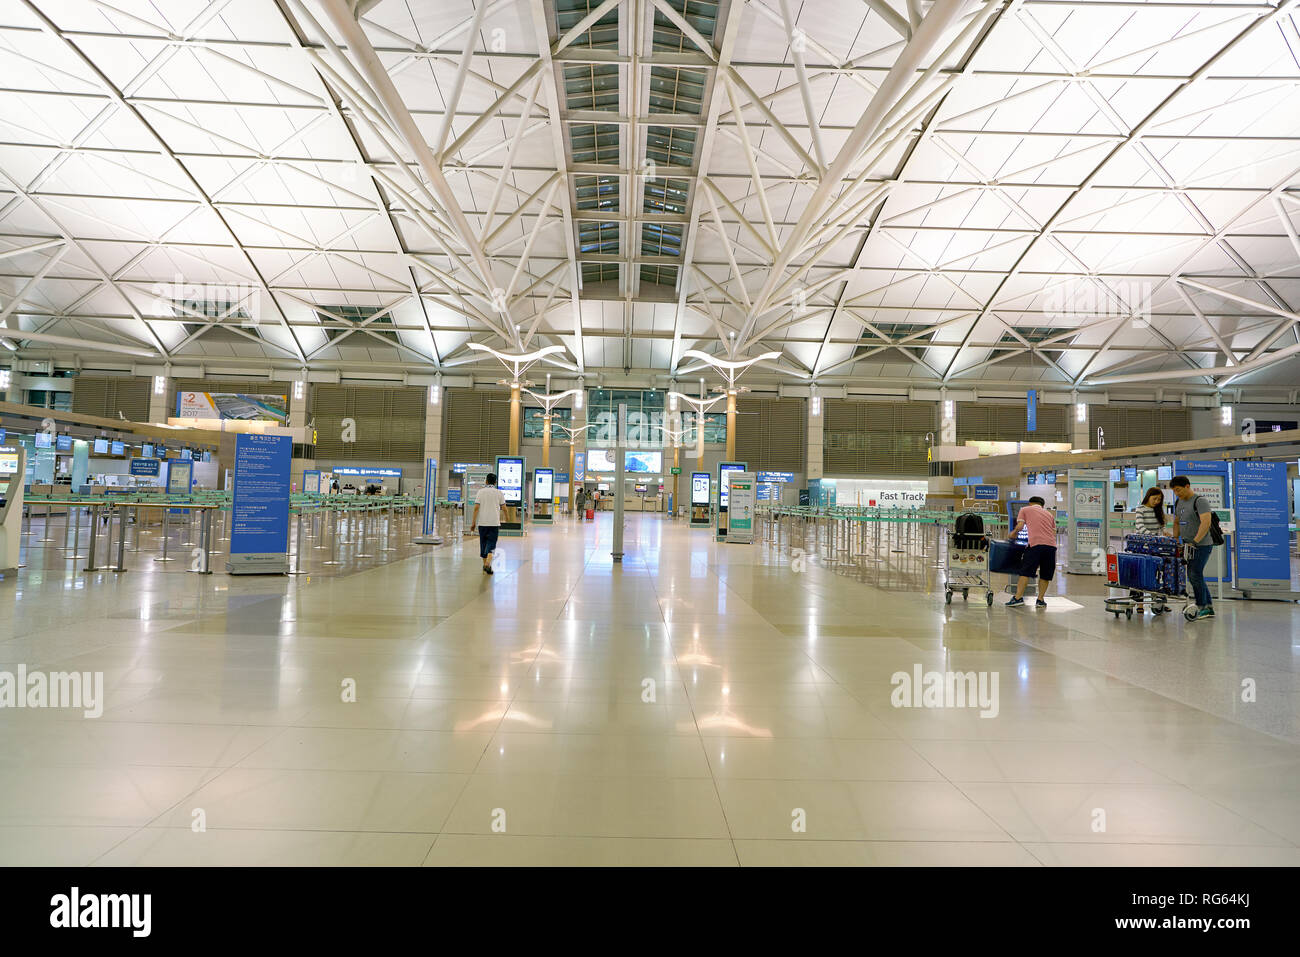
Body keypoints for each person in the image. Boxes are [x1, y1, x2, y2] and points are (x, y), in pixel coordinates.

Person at [1170, 475, 1216, 620]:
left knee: (1194, 574)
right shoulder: (1179, 502)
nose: (1177, 493)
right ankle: (1207, 606)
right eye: (1175, 491)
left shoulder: (1200, 501)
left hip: (1201, 545)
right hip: (1186, 545)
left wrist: (1195, 541)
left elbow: (1205, 523)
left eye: (1179, 490)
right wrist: (1175, 539)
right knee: (1195, 575)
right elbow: (1176, 522)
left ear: (1187, 486)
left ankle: (1202, 606)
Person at [1006, 495, 1056, 608]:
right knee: (1045, 574)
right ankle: (1040, 600)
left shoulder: (1025, 509)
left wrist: (1012, 534)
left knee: (1025, 572)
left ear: (1030, 503)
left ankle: (1018, 598)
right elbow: (1054, 532)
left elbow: (1020, 526)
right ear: (1042, 505)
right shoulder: (1049, 514)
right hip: (1051, 546)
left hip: (1035, 545)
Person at [1132, 487, 1169, 614]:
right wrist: (1154, 537)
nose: (1157, 501)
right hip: (1142, 547)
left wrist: (1161, 536)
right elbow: (1140, 527)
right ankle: (1140, 604)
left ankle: (1159, 602)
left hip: (1156, 548)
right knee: (1140, 574)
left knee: (1158, 575)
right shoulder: (1140, 509)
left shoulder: (1159, 511)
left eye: (1159, 499)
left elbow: (1161, 528)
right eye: (1155, 498)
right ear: (1148, 496)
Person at [470, 472, 504, 576]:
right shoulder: (499, 492)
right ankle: (488, 564)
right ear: (495, 482)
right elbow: (505, 508)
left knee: (483, 543)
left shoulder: (480, 492)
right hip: (494, 523)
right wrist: (506, 518)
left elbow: (476, 508)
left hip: (482, 523)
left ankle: (485, 564)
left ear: (486, 481)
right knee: (491, 544)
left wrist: (473, 522)